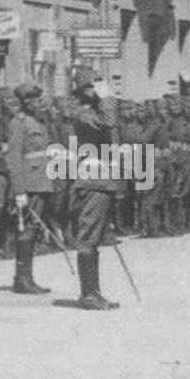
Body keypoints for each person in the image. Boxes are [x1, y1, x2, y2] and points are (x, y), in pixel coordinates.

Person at [64, 67, 122, 310]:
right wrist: (108, 96)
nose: (97, 89)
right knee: (88, 237)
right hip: (92, 180)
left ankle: (94, 292)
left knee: (96, 238)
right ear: (83, 90)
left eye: (99, 84)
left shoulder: (96, 109)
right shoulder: (80, 112)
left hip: (103, 179)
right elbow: (108, 122)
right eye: (93, 85)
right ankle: (87, 295)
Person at [5, 82, 54, 294]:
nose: (35, 103)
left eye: (37, 99)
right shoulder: (19, 123)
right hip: (29, 183)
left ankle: (27, 278)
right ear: (23, 103)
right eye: (30, 100)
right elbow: (14, 158)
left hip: (42, 180)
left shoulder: (39, 121)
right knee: (26, 230)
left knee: (32, 230)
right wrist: (19, 191)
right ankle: (22, 279)